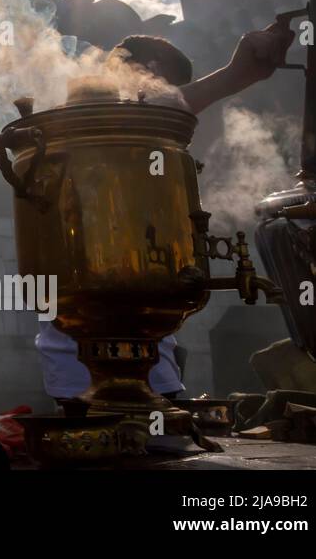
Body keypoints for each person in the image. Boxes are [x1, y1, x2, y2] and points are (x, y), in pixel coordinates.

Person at [37, 22, 295, 405]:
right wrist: (236, 74)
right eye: (170, 85)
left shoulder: (127, 145)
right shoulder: (98, 125)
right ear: (150, 70)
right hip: (89, 363)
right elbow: (160, 106)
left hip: (136, 362)